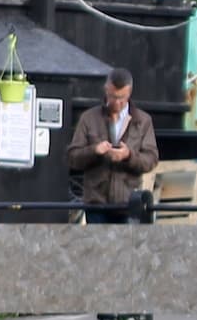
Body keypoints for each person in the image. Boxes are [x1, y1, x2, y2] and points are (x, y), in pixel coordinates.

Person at [66, 67, 159, 224]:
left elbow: (151, 159)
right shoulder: (88, 118)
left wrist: (128, 156)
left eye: (121, 98)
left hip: (128, 203)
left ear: (129, 92)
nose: (116, 102)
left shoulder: (143, 121)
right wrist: (94, 151)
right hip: (96, 203)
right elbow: (72, 157)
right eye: (112, 96)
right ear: (106, 90)